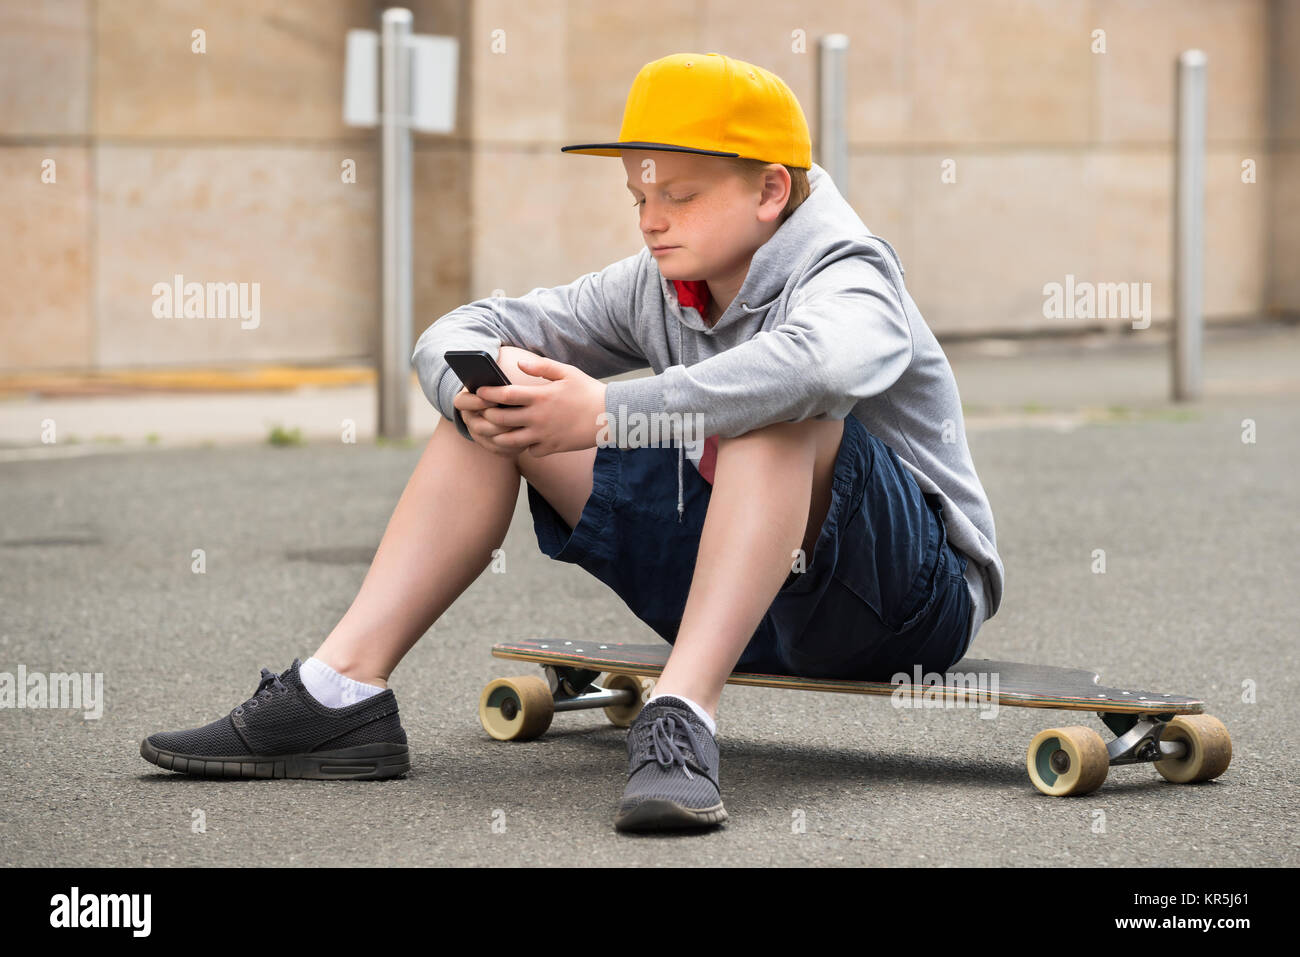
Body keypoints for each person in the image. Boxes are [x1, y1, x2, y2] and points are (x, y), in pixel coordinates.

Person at [140, 52, 1003, 834]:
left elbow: (815, 369)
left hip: (899, 604)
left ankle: (684, 717)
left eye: (679, 194)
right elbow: (464, 327)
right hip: (740, 590)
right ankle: (343, 691)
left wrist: (610, 414)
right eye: (639, 196)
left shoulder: (849, 271)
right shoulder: (660, 280)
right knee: (499, 393)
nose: (651, 221)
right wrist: (478, 383)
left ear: (771, 192)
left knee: (777, 405)